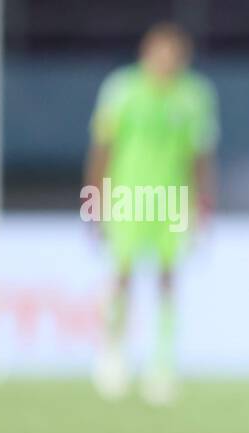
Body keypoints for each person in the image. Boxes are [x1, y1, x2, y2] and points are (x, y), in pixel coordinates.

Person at [84, 22, 218, 405]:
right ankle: (112, 353)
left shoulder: (194, 96)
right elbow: (101, 149)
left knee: (167, 277)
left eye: (173, 54)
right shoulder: (122, 89)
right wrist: (94, 201)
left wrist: (203, 206)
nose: (166, 61)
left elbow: (201, 156)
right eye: (160, 52)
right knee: (122, 275)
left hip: (174, 201)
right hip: (127, 197)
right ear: (146, 54)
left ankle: (162, 364)